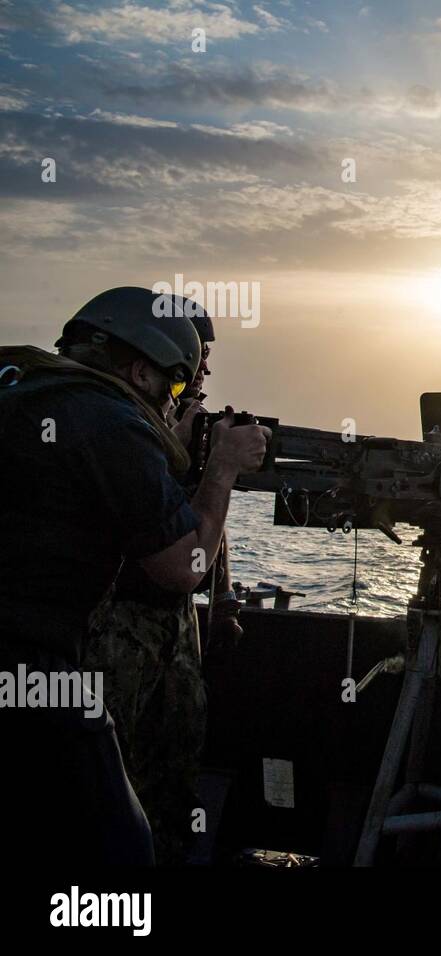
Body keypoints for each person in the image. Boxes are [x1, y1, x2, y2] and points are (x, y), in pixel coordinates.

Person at [0, 286, 268, 865]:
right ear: (141, 370)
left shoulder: (19, 384)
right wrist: (220, 469)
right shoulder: (109, 420)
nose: (181, 400)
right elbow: (182, 567)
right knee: (119, 846)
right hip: (36, 662)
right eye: (177, 385)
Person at [82, 303, 241, 864]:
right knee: (109, 770)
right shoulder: (125, 425)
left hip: (175, 623)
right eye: (194, 359)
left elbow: (206, 527)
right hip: (118, 624)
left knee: (174, 758)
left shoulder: (192, 422)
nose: (201, 373)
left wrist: (222, 602)